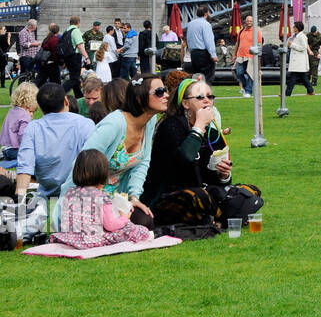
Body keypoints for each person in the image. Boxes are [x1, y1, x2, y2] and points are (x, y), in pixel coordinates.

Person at [56, 74, 169, 230]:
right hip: (88, 201)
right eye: (159, 92)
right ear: (139, 98)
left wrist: (134, 197)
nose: (166, 95)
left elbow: (142, 162)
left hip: (116, 200)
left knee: (145, 221)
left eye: (165, 90)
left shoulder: (150, 121)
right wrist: (65, 210)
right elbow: (81, 165)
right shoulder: (114, 125)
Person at [143, 75, 234, 221]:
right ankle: (218, 216)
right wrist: (199, 126)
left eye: (210, 97)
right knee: (198, 197)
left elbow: (214, 181)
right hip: (169, 195)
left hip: (202, 192)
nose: (207, 100)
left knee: (247, 192)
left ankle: (216, 215)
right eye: (200, 97)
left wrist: (223, 175)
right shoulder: (171, 126)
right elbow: (184, 159)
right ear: (185, 103)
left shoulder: (213, 134)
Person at [51, 149, 154, 250]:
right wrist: (124, 217)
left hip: (71, 238)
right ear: (103, 173)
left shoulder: (70, 194)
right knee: (135, 229)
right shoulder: (101, 196)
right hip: (91, 239)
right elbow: (111, 225)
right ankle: (150, 235)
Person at [12, 83, 96, 200]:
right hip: (79, 195)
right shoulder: (85, 124)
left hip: (50, 195)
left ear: (40, 108)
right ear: (66, 101)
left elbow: (25, 167)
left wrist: (19, 199)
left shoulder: (33, 128)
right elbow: (93, 163)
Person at [2, 82, 39, 161]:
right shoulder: (25, 116)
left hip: (5, 148)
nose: (32, 115)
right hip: (15, 149)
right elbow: (23, 136)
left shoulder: (12, 111)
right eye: (31, 112)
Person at [232, 16, 261, 97]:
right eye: (248, 21)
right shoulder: (241, 31)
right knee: (239, 73)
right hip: (240, 55)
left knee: (250, 74)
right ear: (245, 21)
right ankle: (246, 87)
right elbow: (237, 43)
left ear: (253, 22)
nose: (249, 22)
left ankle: (248, 91)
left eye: (250, 21)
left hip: (251, 56)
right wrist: (234, 54)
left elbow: (259, 43)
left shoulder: (256, 31)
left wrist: (258, 55)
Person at [186, 6, 217, 80]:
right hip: (204, 54)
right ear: (206, 14)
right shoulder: (206, 24)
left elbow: (188, 39)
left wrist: (191, 51)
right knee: (207, 77)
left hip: (193, 53)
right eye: (209, 12)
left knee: (197, 77)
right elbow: (208, 40)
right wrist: (213, 54)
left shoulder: (190, 24)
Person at [62, 16, 89, 100]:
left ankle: (79, 96)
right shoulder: (76, 30)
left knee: (74, 77)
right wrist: (87, 57)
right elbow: (80, 45)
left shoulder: (66, 31)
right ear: (78, 22)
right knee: (74, 79)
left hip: (68, 56)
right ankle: (60, 92)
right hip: (75, 56)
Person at [286, 21, 315, 96]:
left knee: (293, 78)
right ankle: (311, 91)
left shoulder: (302, 36)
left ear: (298, 28)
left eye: (294, 27)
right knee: (303, 78)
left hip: (299, 61)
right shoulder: (294, 36)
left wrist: (292, 45)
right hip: (296, 61)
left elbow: (303, 47)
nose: (293, 28)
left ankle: (287, 93)